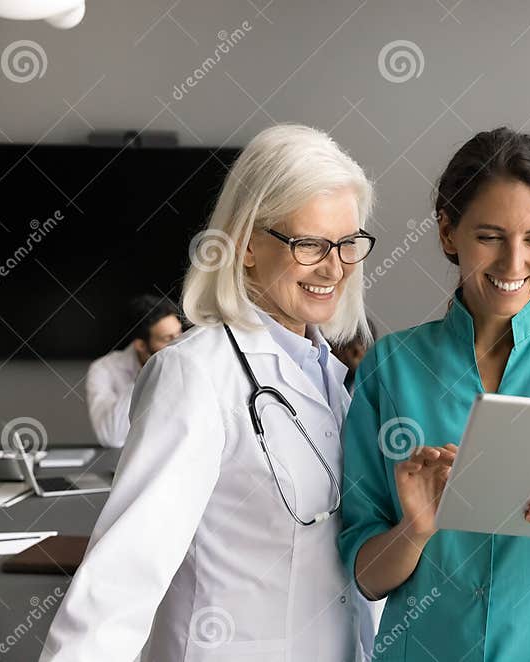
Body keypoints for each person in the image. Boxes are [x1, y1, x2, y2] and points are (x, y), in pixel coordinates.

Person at [41, 124, 378, 661]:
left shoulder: (333, 378)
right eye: (310, 243)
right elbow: (122, 577)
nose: (333, 267)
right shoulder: (195, 375)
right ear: (244, 245)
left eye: (347, 244)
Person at [338, 127, 530, 661]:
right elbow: (366, 575)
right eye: (489, 237)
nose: (514, 264)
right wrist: (414, 530)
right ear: (447, 232)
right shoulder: (391, 368)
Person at [85, 294, 182, 448]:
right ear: (141, 345)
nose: (179, 344)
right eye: (167, 339)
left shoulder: (190, 365)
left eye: (179, 333)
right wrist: (146, 375)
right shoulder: (104, 369)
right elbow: (111, 436)